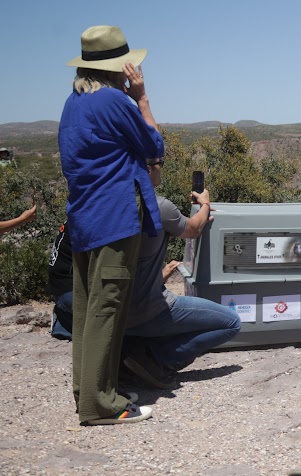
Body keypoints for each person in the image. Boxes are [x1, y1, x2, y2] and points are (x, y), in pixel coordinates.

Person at [59, 25, 163, 426]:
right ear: (119, 67)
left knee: (89, 307)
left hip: (85, 217)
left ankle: (89, 390)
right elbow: (154, 145)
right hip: (115, 217)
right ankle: (101, 406)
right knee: (108, 306)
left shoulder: (74, 103)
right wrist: (141, 98)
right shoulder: (115, 102)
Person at [122, 158, 240, 388]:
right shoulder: (159, 206)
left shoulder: (110, 203)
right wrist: (204, 205)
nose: (161, 167)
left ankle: (131, 350)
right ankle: (156, 361)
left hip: (117, 311)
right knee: (231, 322)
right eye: (159, 162)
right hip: (150, 308)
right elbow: (193, 229)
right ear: (147, 168)